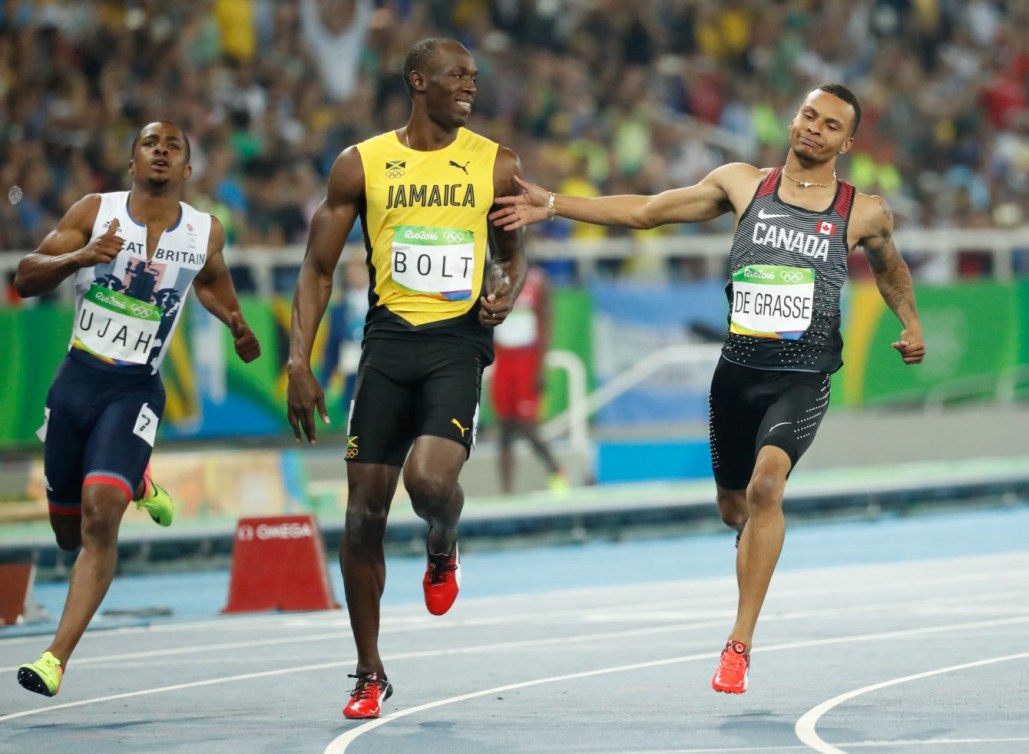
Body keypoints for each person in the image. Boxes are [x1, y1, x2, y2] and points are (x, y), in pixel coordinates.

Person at [490, 84, 926, 695]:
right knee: (733, 506)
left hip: (802, 379)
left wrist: (910, 322)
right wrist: (556, 204)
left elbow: (890, 267)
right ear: (793, 119)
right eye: (808, 115)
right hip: (737, 375)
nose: (814, 128)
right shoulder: (743, 184)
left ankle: (738, 644)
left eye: (830, 125)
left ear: (847, 142)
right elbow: (648, 211)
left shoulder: (863, 211)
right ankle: (752, 547)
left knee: (766, 486)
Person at [286, 38, 528, 719]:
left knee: (428, 483)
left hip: (457, 344)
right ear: (418, 81)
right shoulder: (360, 164)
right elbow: (317, 268)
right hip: (388, 344)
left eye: (474, 78)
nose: (470, 87)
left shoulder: (497, 163)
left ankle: (442, 541)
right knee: (362, 514)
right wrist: (299, 360)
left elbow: (512, 255)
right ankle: (368, 672)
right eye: (457, 76)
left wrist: (505, 291)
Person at [12, 121, 261, 697]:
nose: (161, 152)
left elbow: (211, 282)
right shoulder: (96, 212)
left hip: (135, 390)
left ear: (187, 169)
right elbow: (24, 278)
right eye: (150, 144)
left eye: (173, 147)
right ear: (132, 162)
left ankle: (54, 658)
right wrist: (82, 256)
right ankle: (139, 481)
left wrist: (237, 323)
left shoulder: (203, 231)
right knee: (68, 533)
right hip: (76, 383)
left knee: (102, 514)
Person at [490, 263, 567, 494]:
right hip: (503, 358)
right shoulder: (493, 279)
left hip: (527, 358)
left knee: (526, 426)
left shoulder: (538, 280)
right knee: (505, 427)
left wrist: (541, 367)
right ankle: (506, 493)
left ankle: (557, 471)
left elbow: (547, 322)